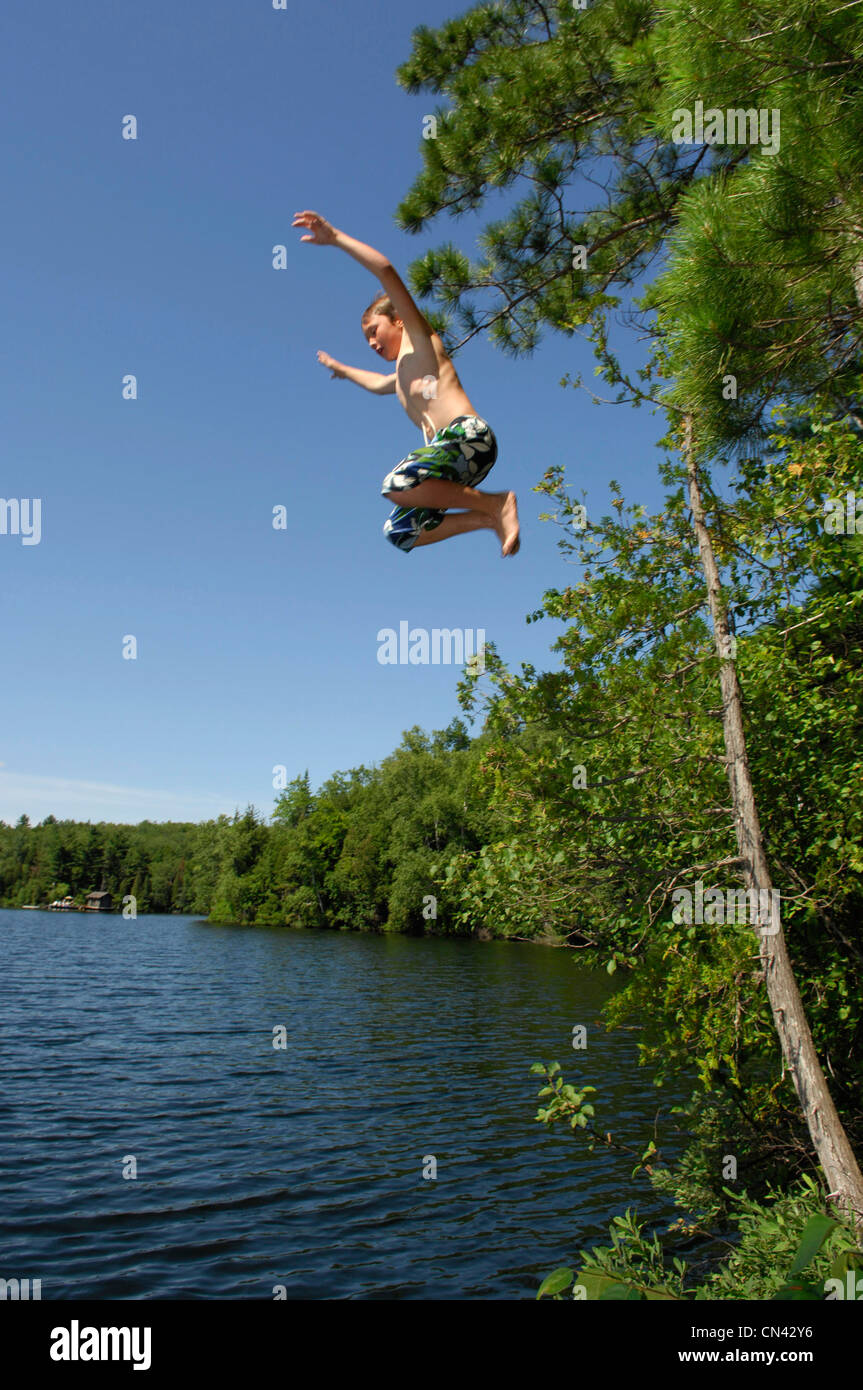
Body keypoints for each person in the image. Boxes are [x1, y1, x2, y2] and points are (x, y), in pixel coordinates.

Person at [292, 210, 520, 557]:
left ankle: (496, 504)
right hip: (454, 467)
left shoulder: (420, 338)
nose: (371, 342)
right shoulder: (400, 376)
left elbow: (385, 270)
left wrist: (336, 237)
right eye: (366, 338)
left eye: (374, 331)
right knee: (400, 531)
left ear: (398, 320)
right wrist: (341, 368)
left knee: (398, 483)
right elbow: (376, 384)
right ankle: (488, 518)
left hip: (470, 437)